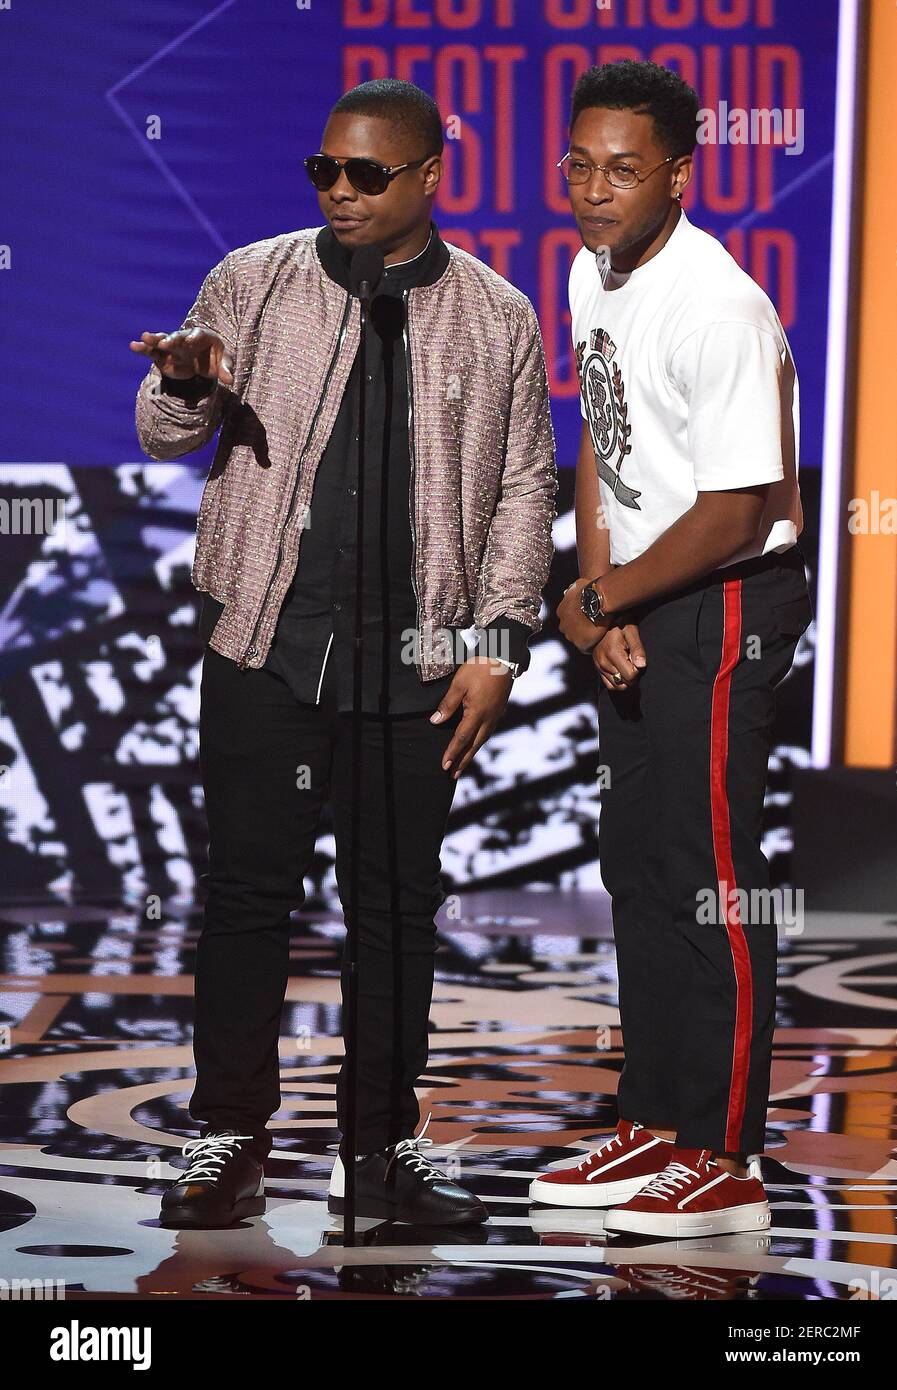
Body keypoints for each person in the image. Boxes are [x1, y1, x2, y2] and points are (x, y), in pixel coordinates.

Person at [131, 78, 556, 1229]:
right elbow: (168, 421)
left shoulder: (497, 314)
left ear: (429, 176)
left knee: (395, 914)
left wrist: (496, 644)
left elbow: (523, 487)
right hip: (266, 648)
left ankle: (378, 1146)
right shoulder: (252, 280)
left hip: (416, 664)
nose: (341, 192)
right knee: (245, 900)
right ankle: (229, 1138)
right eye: (325, 171)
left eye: (368, 174)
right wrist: (177, 386)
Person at [530, 60, 810, 1237]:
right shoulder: (595, 274)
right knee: (638, 865)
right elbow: (600, 437)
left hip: (727, 597)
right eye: (579, 166)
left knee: (708, 874)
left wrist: (600, 600)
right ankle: (654, 1117)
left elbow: (739, 508)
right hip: (642, 597)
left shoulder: (719, 305)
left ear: (680, 174)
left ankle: (726, 1150)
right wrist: (601, 591)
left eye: (623, 170)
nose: (594, 192)